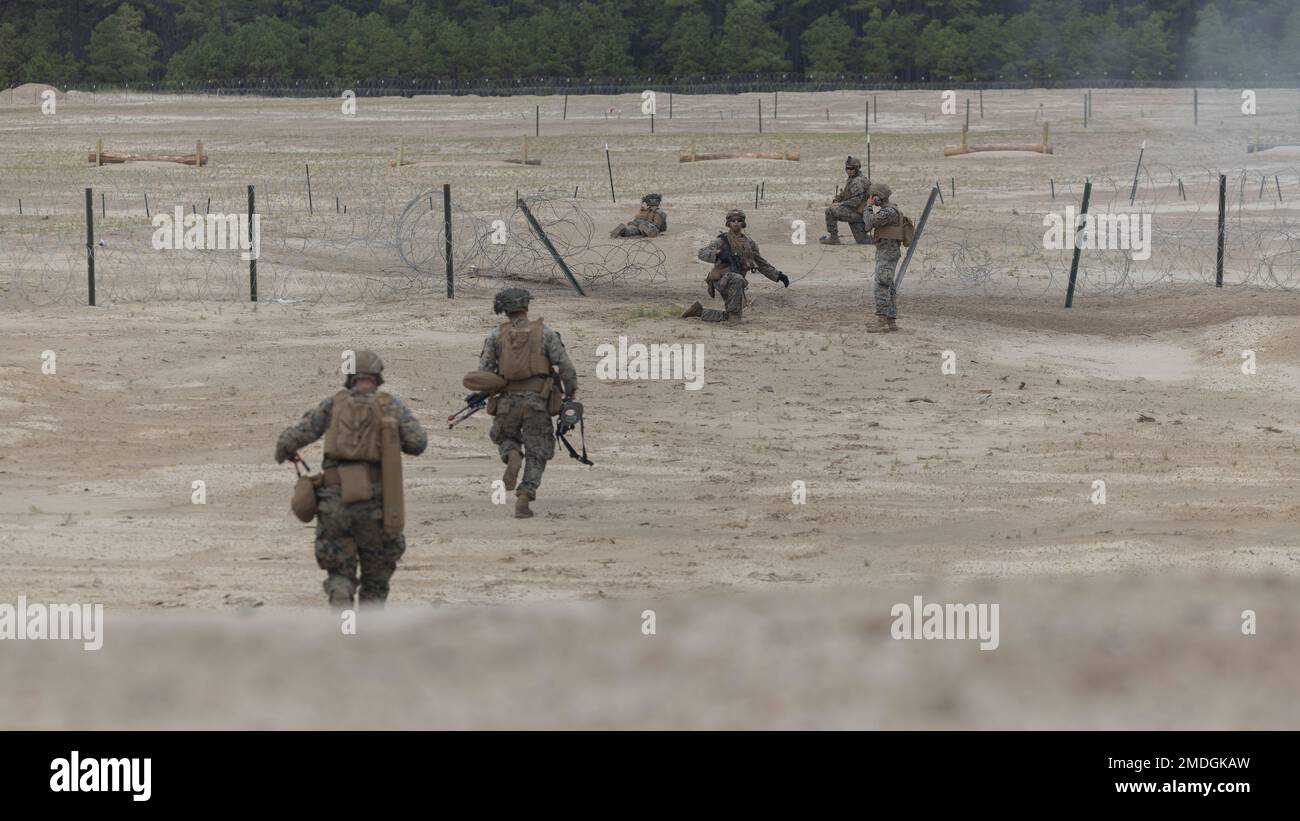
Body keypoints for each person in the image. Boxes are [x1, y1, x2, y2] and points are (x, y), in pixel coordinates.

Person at [275, 350, 428, 607]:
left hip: (335, 502)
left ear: (350, 377)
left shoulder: (334, 404)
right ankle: (368, 637)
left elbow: (293, 437)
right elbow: (418, 443)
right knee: (376, 579)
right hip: (377, 503)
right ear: (378, 377)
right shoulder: (391, 405)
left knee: (339, 573)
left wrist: (286, 452)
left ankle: (342, 611)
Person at [478, 288, 579, 518]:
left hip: (507, 403)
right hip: (537, 402)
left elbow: (483, 372)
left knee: (505, 437)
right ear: (526, 307)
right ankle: (525, 496)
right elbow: (565, 367)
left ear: (504, 311)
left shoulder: (495, 336)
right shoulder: (546, 333)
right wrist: (570, 393)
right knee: (538, 451)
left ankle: (512, 454)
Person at [681, 209, 789, 323]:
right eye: (733, 221)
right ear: (728, 223)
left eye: (739, 220)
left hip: (737, 283)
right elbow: (702, 253)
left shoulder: (749, 243)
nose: (736, 223)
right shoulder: (722, 240)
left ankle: (699, 312)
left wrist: (778, 276)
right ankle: (703, 312)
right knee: (737, 279)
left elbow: (761, 263)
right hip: (721, 280)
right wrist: (718, 254)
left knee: (734, 318)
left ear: (743, 223)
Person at [862, 183, 908, 332]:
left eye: (872, 196)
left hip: (887, 254)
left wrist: (868, 207)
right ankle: (890, 321)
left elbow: (870, 222)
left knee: (881, 286)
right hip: (887, 252)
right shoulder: (889, 210)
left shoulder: (888, 212)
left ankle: (881, 322)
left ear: (878, 197)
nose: (871, 199)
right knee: (889, 286)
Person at [820, 156, 870, 245]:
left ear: (857, 169)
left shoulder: (857, 181)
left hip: (856, 213)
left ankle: (834, 238)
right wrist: (837, 199)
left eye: (851, 168)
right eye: (847, 168)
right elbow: (846, 194)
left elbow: (855, 201)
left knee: (830, 211)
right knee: (863, 241)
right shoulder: (853, 179)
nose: (849, 171)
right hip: (856, 212)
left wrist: (839, 204)